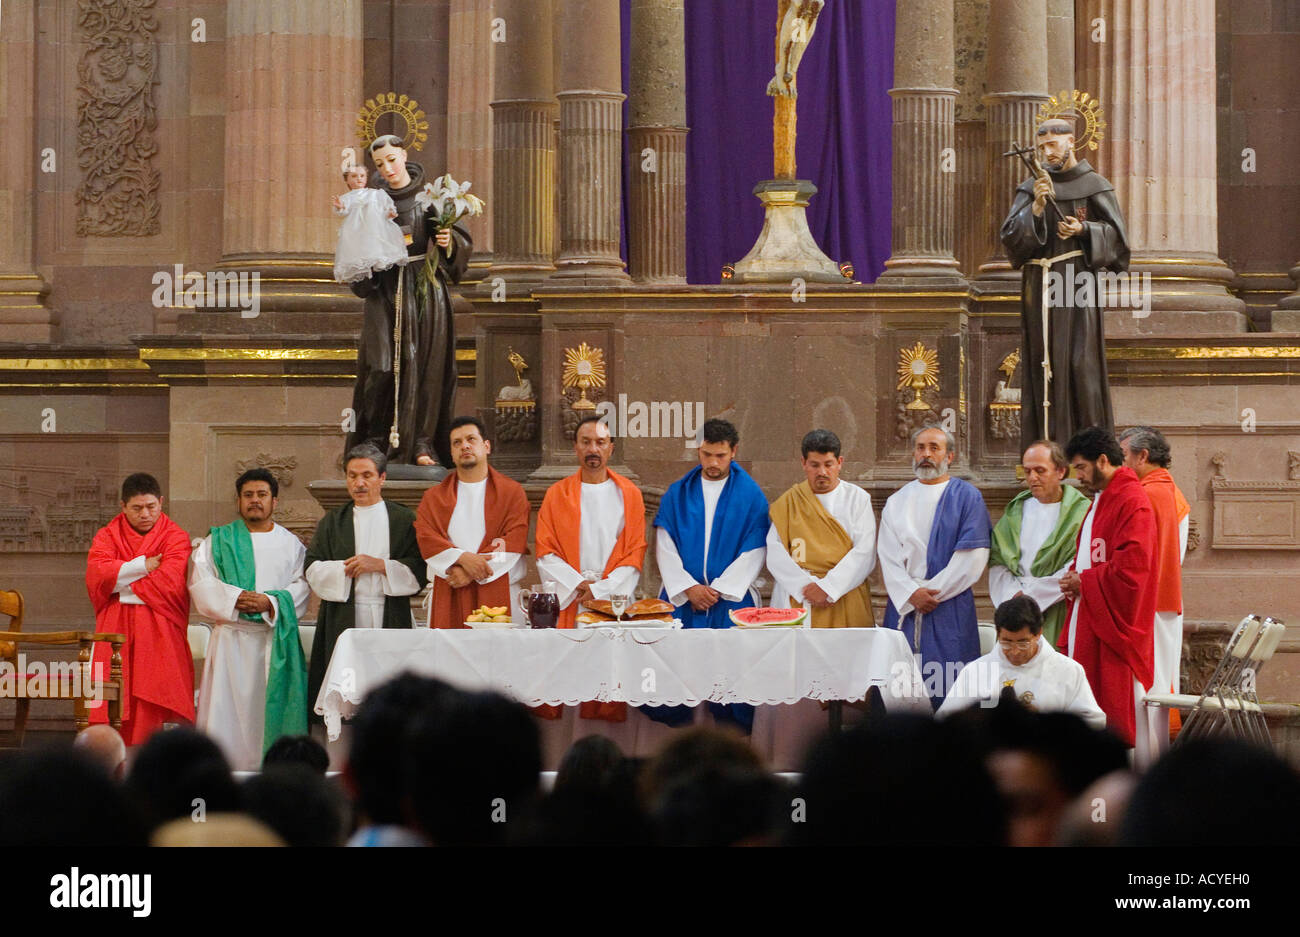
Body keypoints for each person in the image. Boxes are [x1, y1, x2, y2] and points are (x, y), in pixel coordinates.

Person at [1000, 116, 1130, 448]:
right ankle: (1046, 448)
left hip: (1077, 283)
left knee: (1079, 362)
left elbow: (1119, 242)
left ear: (1071, 142)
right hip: (1039, 283)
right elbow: (1012, 238)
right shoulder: (1031, 188)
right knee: (1042, 362)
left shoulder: (1095, 184)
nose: (1046, 152)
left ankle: (1087, 449)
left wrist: (1083, 230)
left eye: (1052, 145)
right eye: (1041, 146)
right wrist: (1038, 209)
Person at [344, 133, 472, 468]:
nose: (387, 168)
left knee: (427, 368)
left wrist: (447, 242)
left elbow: (457, 245)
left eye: (391, 159)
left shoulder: (430, 200)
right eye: (379, 163)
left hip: (424, 290)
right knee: (382, 366)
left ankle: (422, 443)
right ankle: (375, 439)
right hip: (384, 291)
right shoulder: (370, 203)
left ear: (404, 155)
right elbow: (355, 255)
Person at [649, 418, 768, 731]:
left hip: (731, 599)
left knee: (731, 674)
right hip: (683, 598)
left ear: (734, 451)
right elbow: (665, 542)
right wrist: (688, 588)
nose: (713, 463)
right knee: (671, 672)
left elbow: (755, 547)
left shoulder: (751, 495)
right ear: (698, 451)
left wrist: (720, 590)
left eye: (720, 456)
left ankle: (730, 741)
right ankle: (680, 744)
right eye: (706, 455)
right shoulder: (677, 493)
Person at [189, 468, 311, 771]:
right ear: (238, 500)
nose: (254, 501)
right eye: (248, 495)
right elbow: (200, 582)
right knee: (226, 713)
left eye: (261, 495)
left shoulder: (291, 544)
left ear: (274, 501)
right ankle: (225, 775)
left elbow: (303, 585)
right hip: (230, 639)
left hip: (272, 641)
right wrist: (235, 599)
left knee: (263, 713)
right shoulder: (217, 541)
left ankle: (271, 773)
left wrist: (270, 601)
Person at [535, 415, 646, 722]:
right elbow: (545, 550)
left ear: (611, 448)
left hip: (609, 603)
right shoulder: (557, 494)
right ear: (576, 448)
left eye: (600, 442)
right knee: (564, 682)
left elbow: (635, 552)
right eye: (586, 442)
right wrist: (577, 585)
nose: (593, 449)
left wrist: (598, 590)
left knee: (605, 683)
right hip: (569, 601)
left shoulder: (629, 495)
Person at [304, 445, 427, 719]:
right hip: (344, 615)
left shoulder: (403, 519)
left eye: (367, 475)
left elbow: (420, 568)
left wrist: (380, 565)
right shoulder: (333, 522)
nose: (359, 483)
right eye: (352, 475)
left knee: (388, 694)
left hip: (390, 614)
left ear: (382, 477)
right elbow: (311, 567)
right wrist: (344, 570)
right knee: (348, 696)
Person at [1058, 426, 1157, 757]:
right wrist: (1077, 579)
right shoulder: (1102, 499)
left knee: (1113, 711)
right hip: (1089, 614)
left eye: (1082, 468)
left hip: (1112, 626)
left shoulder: (1132, 500)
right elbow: (1091, 555)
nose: (1079, 477)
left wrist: (1084, 581)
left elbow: (1134, 570)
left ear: (1103, 460)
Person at [879, 426, 991, 704]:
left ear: (950, 456)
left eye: (934, 448)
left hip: (947, 605)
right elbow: (888, 557)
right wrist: (910, 594)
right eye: (920, 447)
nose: (925, 454)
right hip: (904, 608)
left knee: (951, 685)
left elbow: (973, 555)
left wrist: (931, 593)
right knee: (901, 689)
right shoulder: (896, 501)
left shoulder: (967, 498)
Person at [85, 472, 193, 745]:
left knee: (156, 702)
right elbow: (97, 577)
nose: (145, 514)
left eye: (151, 507)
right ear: (122, 506)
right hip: (115, 629)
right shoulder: (107, 535)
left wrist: (118, 584)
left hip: (160, 631)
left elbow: (169, 584)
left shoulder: (176, 537)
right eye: (136, 508)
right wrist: (142, 567)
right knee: (113, 697)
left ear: (161, 502)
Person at [414, 416, 529, 627]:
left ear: (486, 446)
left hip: (498, 586)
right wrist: (462, 559)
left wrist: (470, 571)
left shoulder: (512, 493)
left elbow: (513, 540)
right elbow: (427, 539)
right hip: (450, 588)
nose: (464, 446)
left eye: (471, 439)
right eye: (457, 443)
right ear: (451, 453)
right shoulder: (433, 497)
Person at [1119, 425, 1190, 756]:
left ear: (1142, 456)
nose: (1120, 466)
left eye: (1123, 457)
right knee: (1159, 685)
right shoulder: (1171, 491)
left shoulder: (1147, 494)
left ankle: (1146, 765)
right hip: (1164, 602)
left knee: (1148, 687)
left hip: (1147, 604)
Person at [938, 595, 1105, 728]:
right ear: (997, 633)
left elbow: (1094, 723)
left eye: (1023, 643)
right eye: (1007, 642)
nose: (1015, 651)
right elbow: (946, 720)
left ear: (1038, 633)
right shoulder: (976, 670)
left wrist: (1045, 722)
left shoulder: (1068, 670)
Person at [765, 429, 876, 627]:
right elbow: (775, 550)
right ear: (803, 463)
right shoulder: (789, 502)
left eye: (828, 464)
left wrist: (829, 587)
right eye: (815, 465)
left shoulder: (858, 499)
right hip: (798, 597)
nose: (822, 472)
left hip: (844, 595)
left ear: (840, 462)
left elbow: (864, 552)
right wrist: (804, 586)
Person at [988, 440, 1090, 648]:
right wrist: (1013, 598)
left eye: (1040, 471)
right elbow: (997, 559)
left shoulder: (1081, 512)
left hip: (1059, 607)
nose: (1032, 478)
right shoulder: (1016, 509)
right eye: (1027, 471)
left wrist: (1031, 598)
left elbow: (1078, 564)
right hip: (1013, 610)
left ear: (1061, 472)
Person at [331, 164, 408, 283]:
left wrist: (390, 214)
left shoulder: (375, 194)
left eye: (362, 176)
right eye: (354, 176)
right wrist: (341, 207)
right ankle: (367, 277)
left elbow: (384, 210)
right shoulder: (346, 198)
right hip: (356, 231)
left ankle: (379, 269)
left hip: (375, 228)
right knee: (360, 252)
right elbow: (343, 212)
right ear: (347, 180)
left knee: (376, 249)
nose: (359, 179)